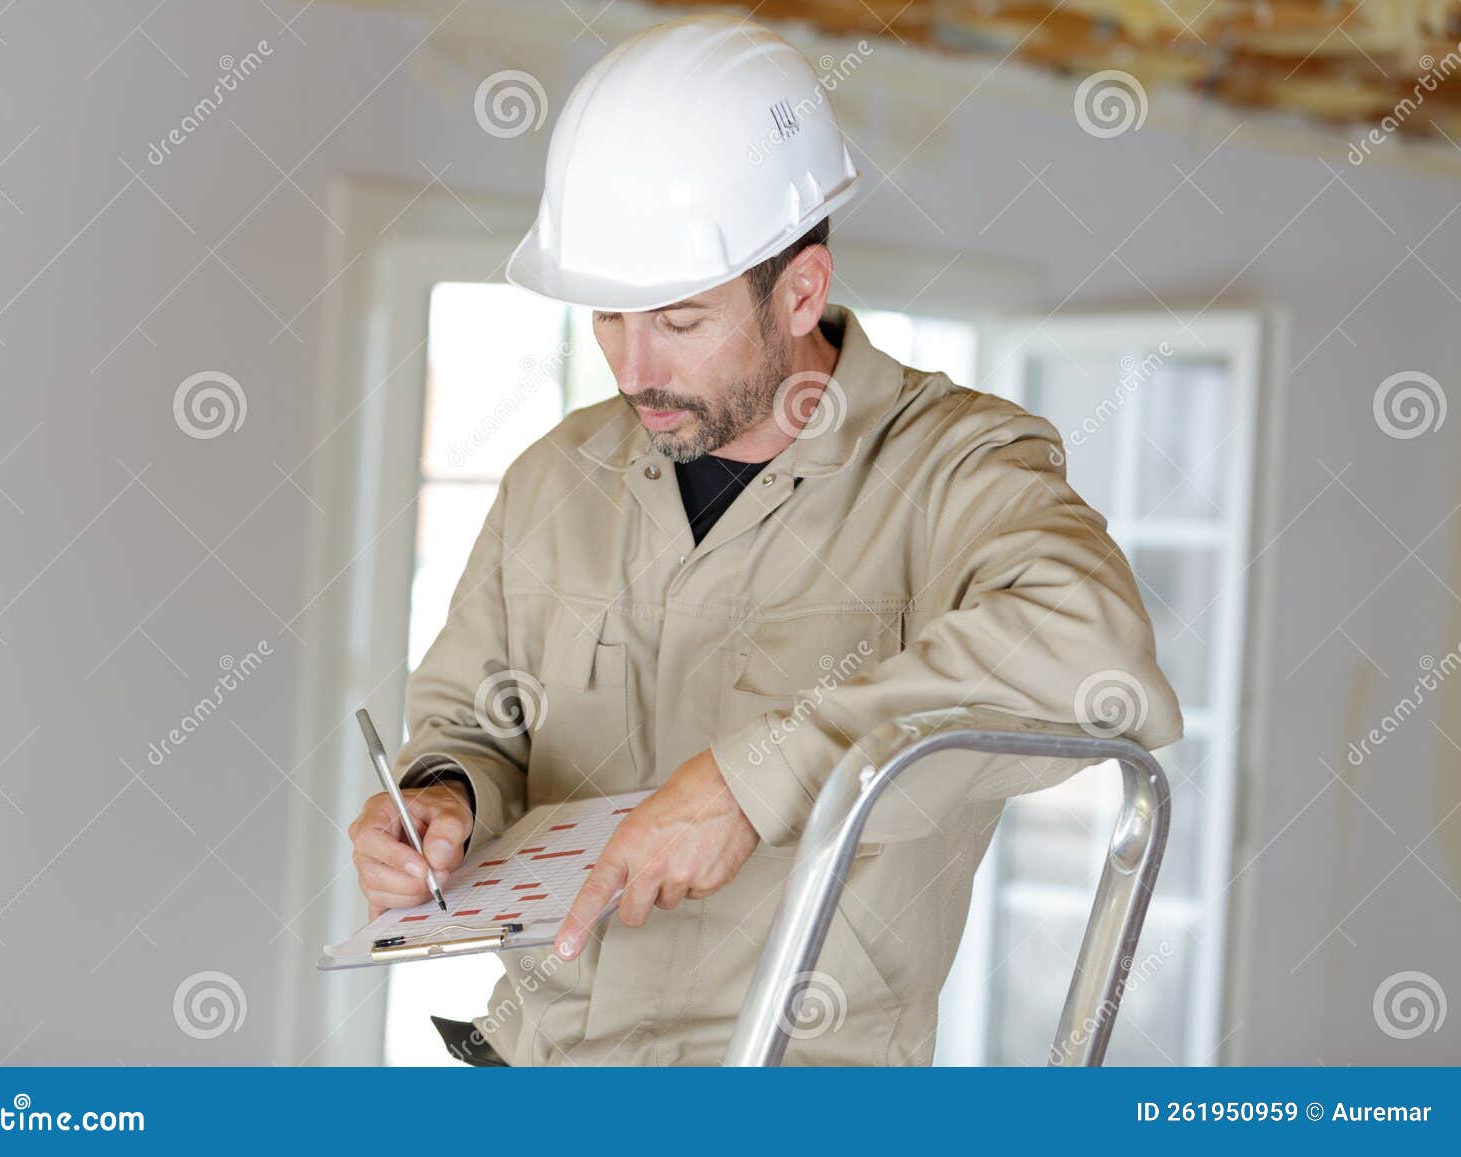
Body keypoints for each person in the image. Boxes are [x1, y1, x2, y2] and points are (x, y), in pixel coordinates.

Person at [346, 13, 1180, 1066]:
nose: (630, 365)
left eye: (679, 321)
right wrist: (440, 797)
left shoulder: (952, 467)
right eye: (607, 317)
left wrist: (755, 778)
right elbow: (475, 721)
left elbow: (1093, 653)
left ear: (799, 291)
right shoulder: (556, 478)